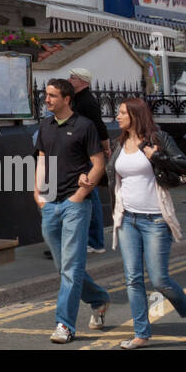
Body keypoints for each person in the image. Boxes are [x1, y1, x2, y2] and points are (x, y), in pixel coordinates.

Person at [108, 97, 186, 348]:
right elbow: (114, 177)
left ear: (135, 115)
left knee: (160, 279)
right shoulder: (119, 143)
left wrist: (157, 156)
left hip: (155, 219)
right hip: (127, 218)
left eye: (121, 113)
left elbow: (185, 166)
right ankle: (141, 333)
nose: (117, 117)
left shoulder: (158, 139)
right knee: (133, 278)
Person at [35, 78, 110, 344]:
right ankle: (99, 298)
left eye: (53, 96)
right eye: (46, 95)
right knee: (63, 266)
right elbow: (42, 159)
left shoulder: (84, 126)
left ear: (67, 99)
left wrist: (80, 195)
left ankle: (64, 325)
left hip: (75, 206)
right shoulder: (45, 125)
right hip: (50, 205)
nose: (47, 100)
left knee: (71, 267)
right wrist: (38, 193)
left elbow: (98, 163)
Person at [68, 67, 109, 253]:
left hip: (88, 152)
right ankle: (88, 240)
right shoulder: (76, 98)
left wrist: (105, 146)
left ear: (82, 81)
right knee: (85, 195)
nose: (69, 79)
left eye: (72, 77)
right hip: (80, 151)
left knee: (90, 195)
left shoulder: (87, 101)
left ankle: (95, 242)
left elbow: (98, 125)